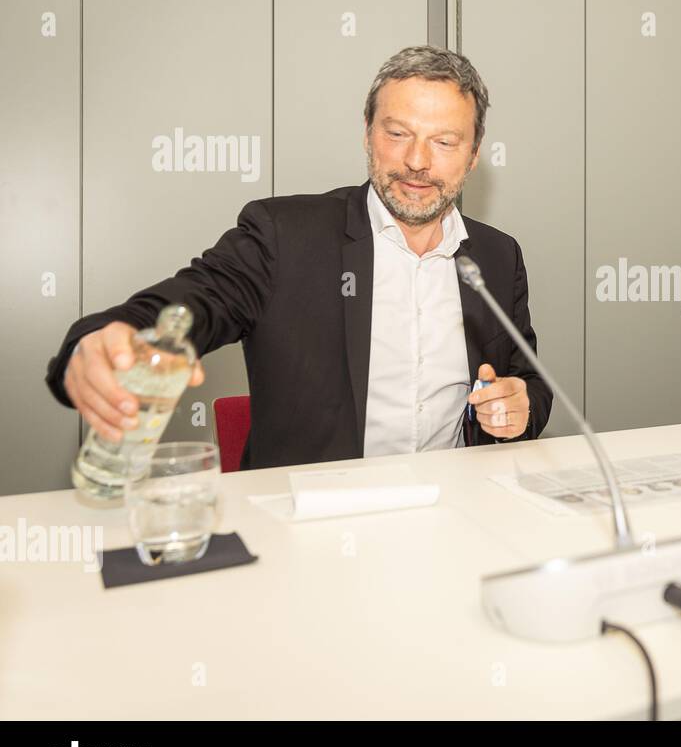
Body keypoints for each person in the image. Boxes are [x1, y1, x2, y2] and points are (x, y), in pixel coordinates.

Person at [46, 46, 552, 470]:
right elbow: (197, 298)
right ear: (368, 134)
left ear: (473, 155)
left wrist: (521, 406)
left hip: (457, 515)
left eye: (444, 141)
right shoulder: (284, 235)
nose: (417, 161)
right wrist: (104, 335)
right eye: (397, 134)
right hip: (312, 529)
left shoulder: (497, 255)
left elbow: (528, 381)